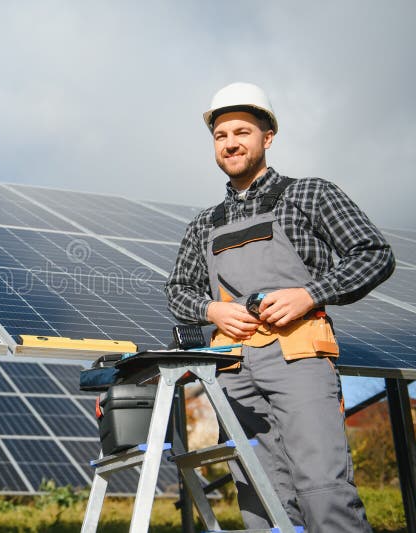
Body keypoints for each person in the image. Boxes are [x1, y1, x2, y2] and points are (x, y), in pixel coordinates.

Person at [164, 82, 395, 532]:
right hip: (233, 369)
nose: (230, 142)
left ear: (267, 138)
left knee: (323, 489)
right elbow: (177, 290)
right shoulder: (203, 223)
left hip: (300, 355)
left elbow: (374, 254)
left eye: (242, 132)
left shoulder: (309, 194)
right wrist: (213, 311)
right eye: (221, 135)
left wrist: (310, 294)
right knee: (259, 496)